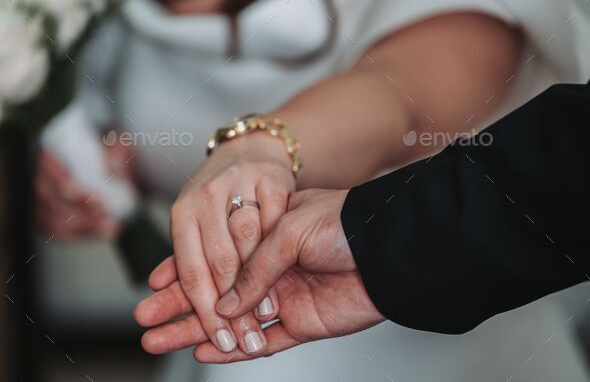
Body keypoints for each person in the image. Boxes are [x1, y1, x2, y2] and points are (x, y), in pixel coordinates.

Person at [36, 0, 590, 380]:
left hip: (451, 351)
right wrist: (95, 190)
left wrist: (260, 146)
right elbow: (125, 154)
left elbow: (399, 100)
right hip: (235, 351)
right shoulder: (99, 27)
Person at [136, 81, 590, 361]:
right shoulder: (101, 12)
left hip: (441, 319)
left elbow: (401, 91)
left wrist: (256, 146)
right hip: (295, 296)